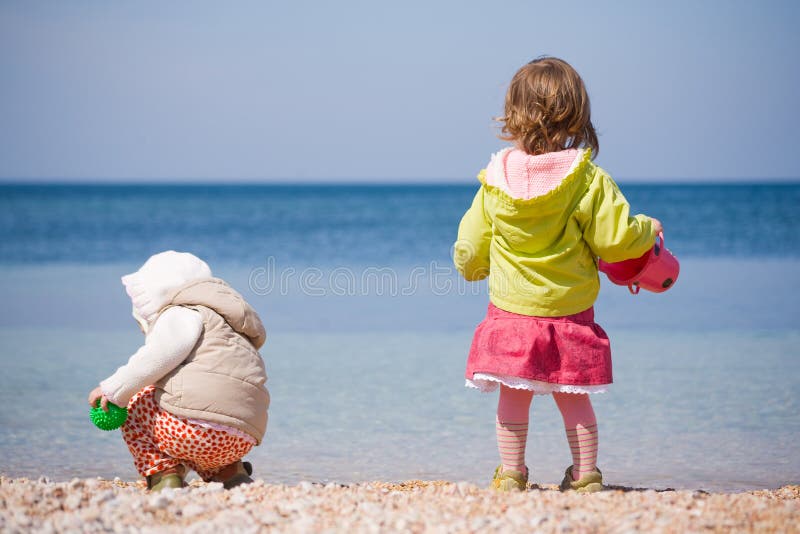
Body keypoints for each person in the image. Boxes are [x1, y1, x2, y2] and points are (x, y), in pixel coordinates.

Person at [453, 57, 662, 492]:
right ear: (577, 115)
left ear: (513, 113)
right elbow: (617, 240)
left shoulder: (495, 181)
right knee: (574, 395)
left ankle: (512, 473)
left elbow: (471, 247)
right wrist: (648, 229)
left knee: (514, 396)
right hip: (570, 311)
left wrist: (474, 268)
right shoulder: (587, 179)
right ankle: (585, 476)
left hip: (511, 311)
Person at [87, 251, 270, 492]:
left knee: (136, 402)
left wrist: (114, 390)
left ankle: (164, 474)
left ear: (156, 294)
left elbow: (158, 356)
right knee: (204, 408)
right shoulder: (231, 325)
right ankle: (230, 473)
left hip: (193, 432)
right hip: (241, 437)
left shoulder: (182, 312)